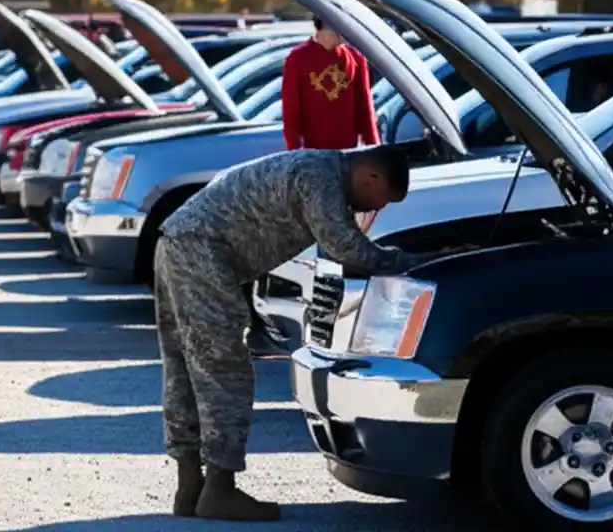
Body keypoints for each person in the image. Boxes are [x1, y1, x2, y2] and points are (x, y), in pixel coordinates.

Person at [154, 146, 430, 521]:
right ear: (373, 177)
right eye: (382, 201)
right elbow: (347, 248)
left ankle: (190, 485)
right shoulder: (320, 177)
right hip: (203, 253)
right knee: (224, 369)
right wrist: (411, 261)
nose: (375, 209)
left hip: (177, 239)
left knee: (185, 365)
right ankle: (219, 488)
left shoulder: (317, 167)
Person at [280, 16, 379, 151]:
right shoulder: (297, 59)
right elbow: (291, 111)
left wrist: (373, 149)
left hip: (349, 153)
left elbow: (365, 109)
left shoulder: (355, 58)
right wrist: (294, 152)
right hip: (314, 153)